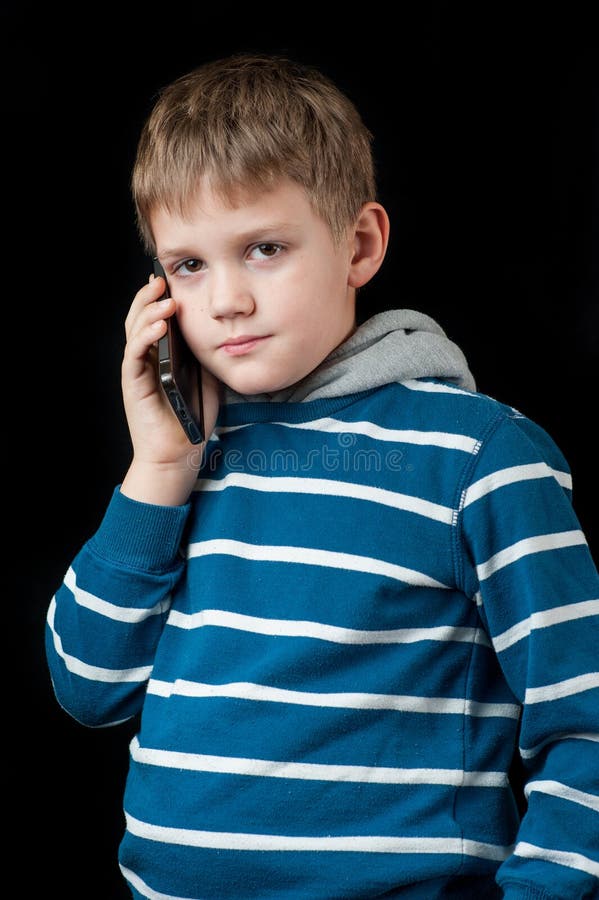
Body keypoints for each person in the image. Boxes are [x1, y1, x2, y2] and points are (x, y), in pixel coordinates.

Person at [45, 53, 599, 899]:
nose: (225, 298)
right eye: (189, 264)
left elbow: (586, 721)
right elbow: (87, 688)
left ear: (359, 244)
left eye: (263, 248)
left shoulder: (477, 456)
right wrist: (156, 467)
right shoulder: (186, 452)